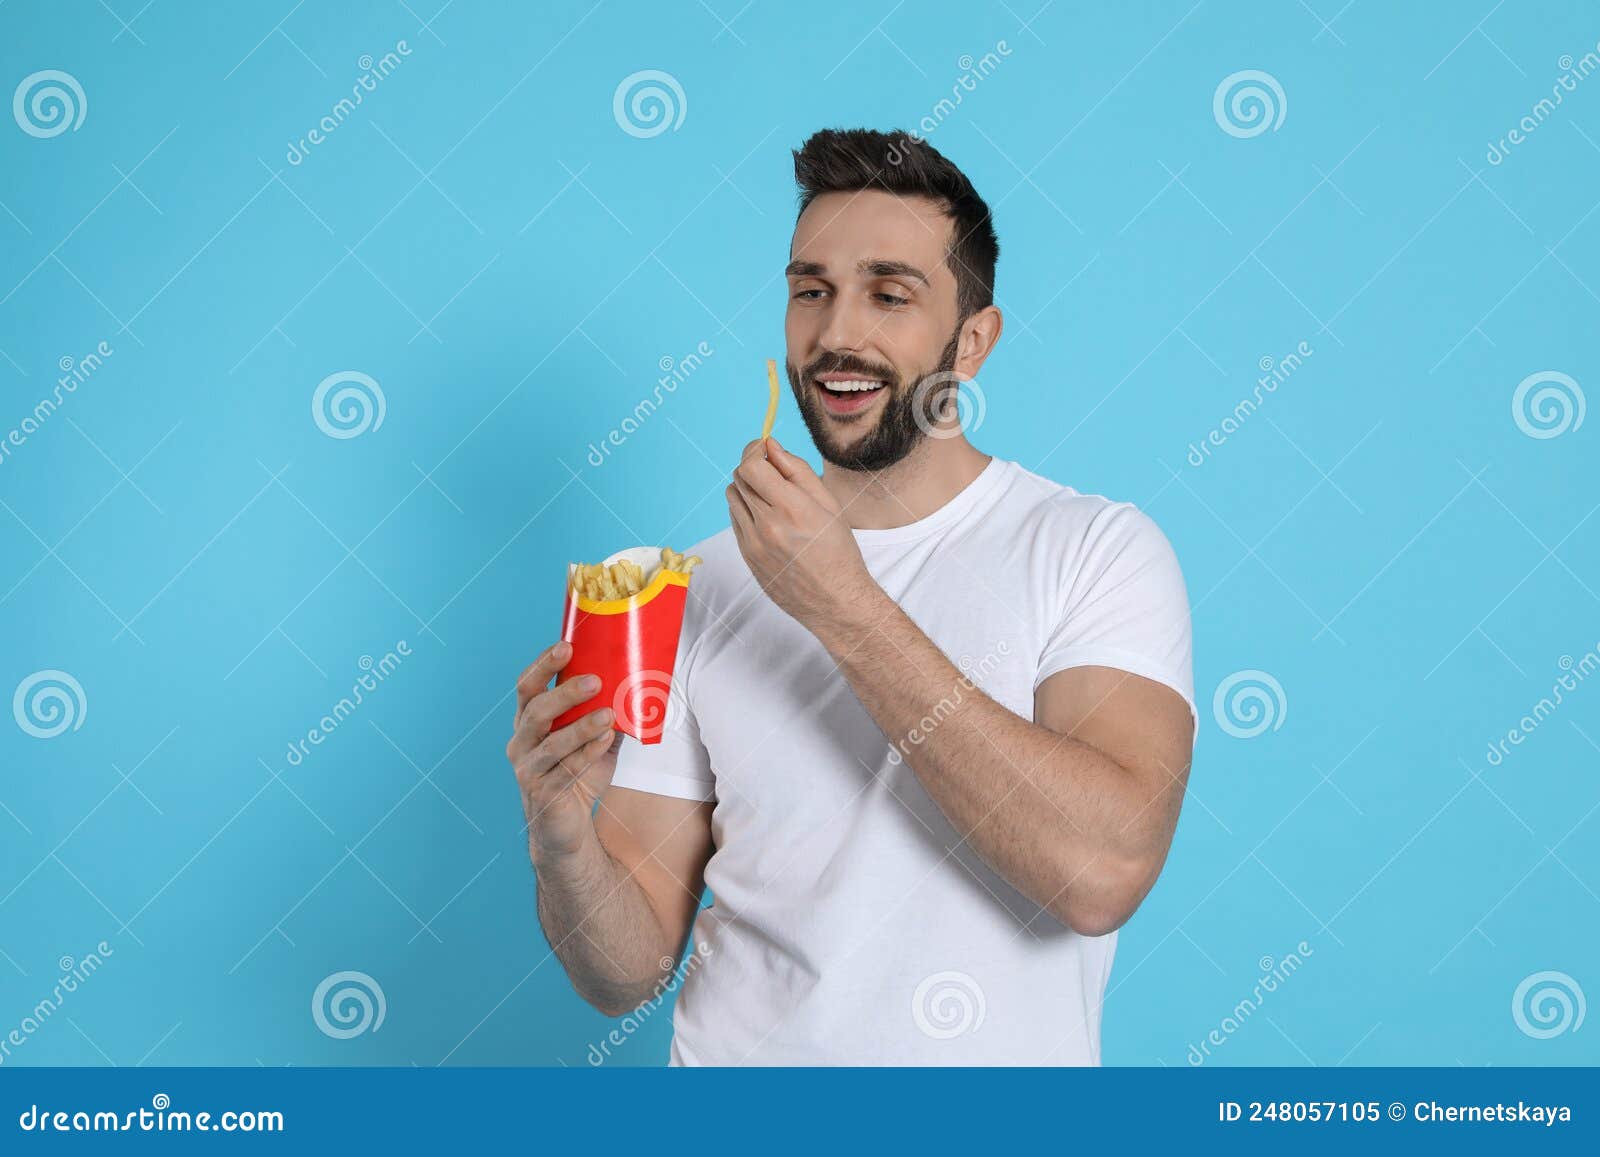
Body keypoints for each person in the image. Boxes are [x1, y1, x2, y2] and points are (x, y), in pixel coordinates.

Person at [506, 128, 1195, 1065]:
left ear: (974, 341)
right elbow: (621, 972)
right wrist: (561, 844)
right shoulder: (700, 585)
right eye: (811, 290)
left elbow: (1101, 872)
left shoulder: (1093, 549)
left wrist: (842, 605)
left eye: (890, 294)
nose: (837, 334)